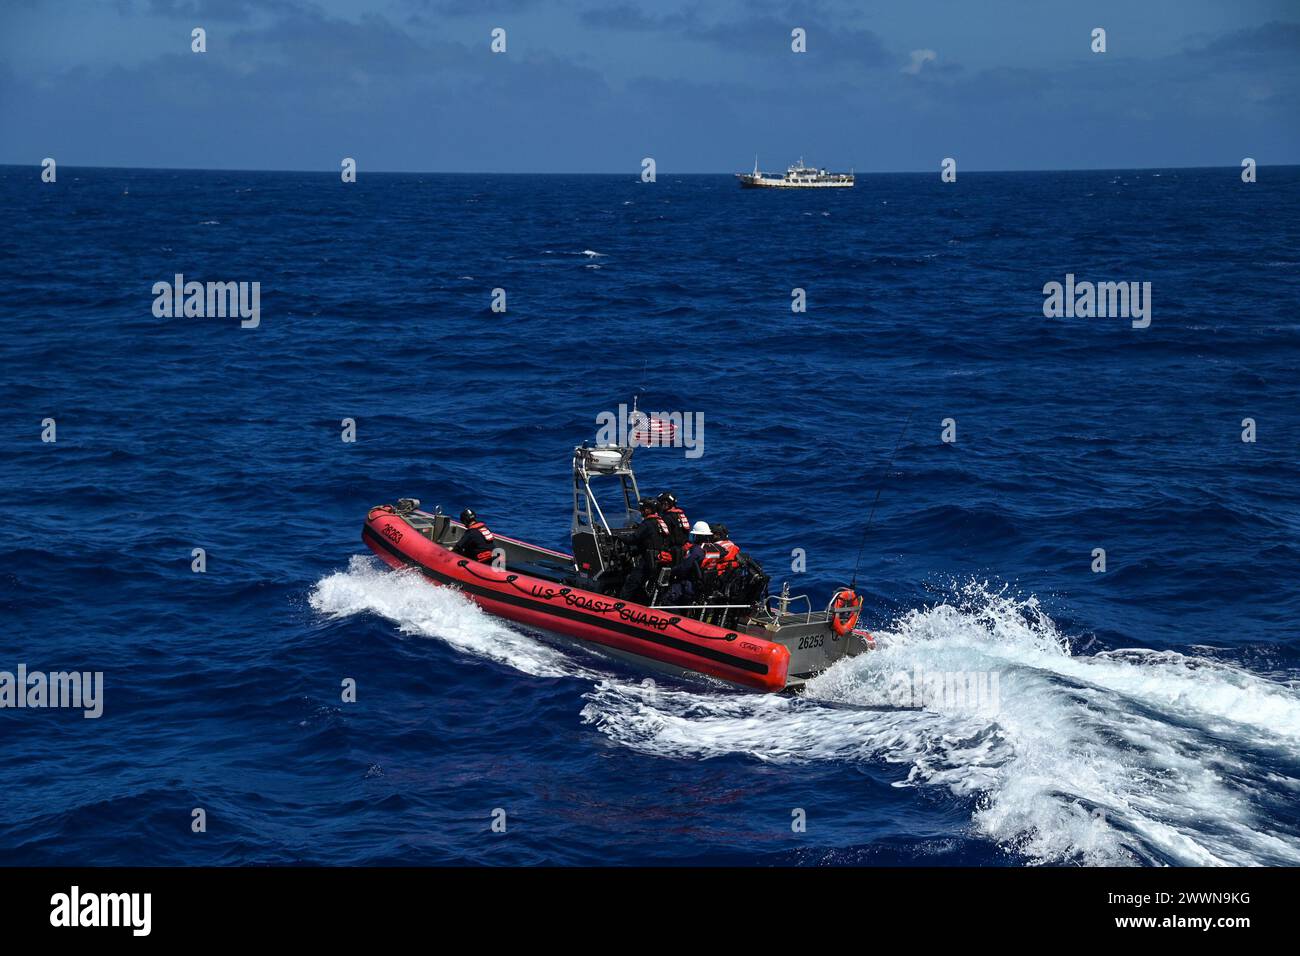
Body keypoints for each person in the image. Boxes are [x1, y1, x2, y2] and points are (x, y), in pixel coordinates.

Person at [619, 498, 673, 601]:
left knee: (632, 582)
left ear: (648, 510)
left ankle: (621, 604)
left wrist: (620, 537)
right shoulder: (660, 522)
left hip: (647, 561)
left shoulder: (647, 523)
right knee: (647, 584)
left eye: (642, 509)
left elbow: (633, 539)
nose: (641, 511)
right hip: (659, 560)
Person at [663, 520, 712, 605]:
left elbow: (684, 567)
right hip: (706, 584)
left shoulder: (696, 550)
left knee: (668, 600)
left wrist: (671, 571)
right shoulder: (713, 548)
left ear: (697, 536)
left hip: (691, 584)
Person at [657, 491, 692, 560]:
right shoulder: (681, 514)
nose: (661, 506)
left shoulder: (667, 517)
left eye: (663, 503)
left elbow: (665, 535)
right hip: (684, 548)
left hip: (674, 550)